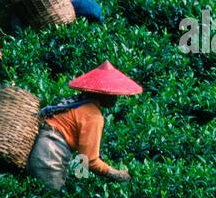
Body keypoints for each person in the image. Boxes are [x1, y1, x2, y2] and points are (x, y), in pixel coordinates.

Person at [27, 61, 140, 190]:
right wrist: (117, 174)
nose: (115, 98)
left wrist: (80, 182)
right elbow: (90, 160)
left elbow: (82, 156)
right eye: (112, 94)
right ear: (101, 93)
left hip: (43, 146)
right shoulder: (93, 115)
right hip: (50, 154)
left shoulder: (78, 101)